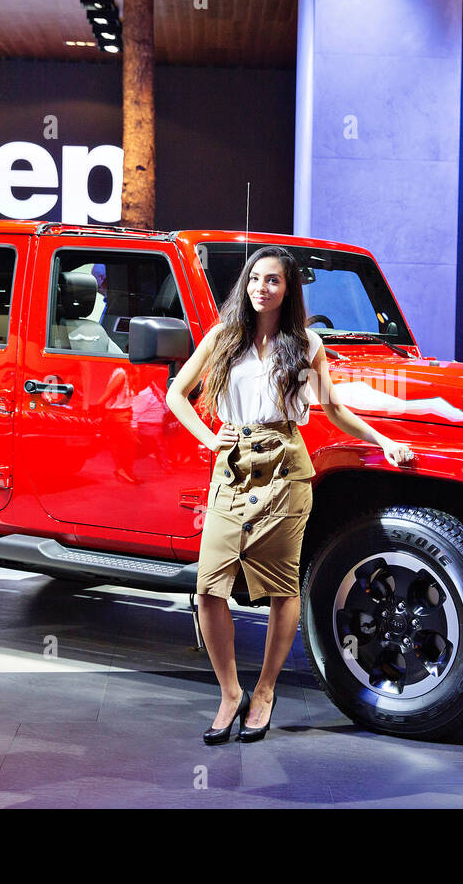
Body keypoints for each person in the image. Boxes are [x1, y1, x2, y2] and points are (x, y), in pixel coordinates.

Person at [166, 245, 414, 742]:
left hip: (285, 466)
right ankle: (230, 692)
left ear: (288, 288)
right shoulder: (222, 337)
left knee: (282, 589)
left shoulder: (305, 344)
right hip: (232, 464)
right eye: (255, 278)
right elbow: (177, 393)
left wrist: (386, 441)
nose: (262, 287)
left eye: (273, 280)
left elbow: (335, 410)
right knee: (209, 589)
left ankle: (264, 691)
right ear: (246, 284)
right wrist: (209, 436)